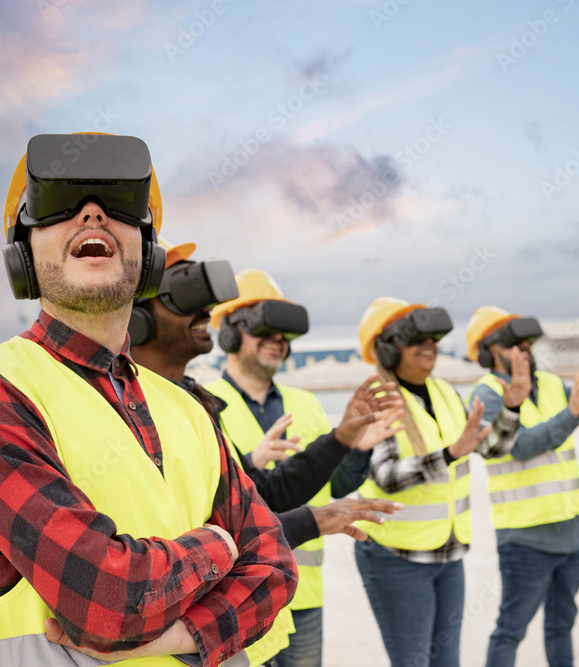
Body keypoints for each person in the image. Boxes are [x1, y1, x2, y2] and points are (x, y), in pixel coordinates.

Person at [0, 133, 297, 667]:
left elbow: (276, 570)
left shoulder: (189, 408)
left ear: (149, 252)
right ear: (22, 251)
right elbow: (107, 599)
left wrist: (178, 636)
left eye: (120, 205)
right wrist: (218, 547)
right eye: (58, 205)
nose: (92, 215)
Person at [128, 240, 405, 664]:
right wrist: (305, 515)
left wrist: (346, 443)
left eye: (284, 335)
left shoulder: (199, 404)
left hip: (273, 598)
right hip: (194, 629)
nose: (277, 341)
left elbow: (262, 497)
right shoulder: (157, 406)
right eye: (186, 298)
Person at [203, 269, 378, 667]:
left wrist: (359, 450)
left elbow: (337, 488)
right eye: (264, 331)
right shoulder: (204, 405)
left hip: (305, 592)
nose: (277, 343)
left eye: (283, 337)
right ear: (229, 332)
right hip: (239, 595)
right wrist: (250, 465)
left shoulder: (307, 403)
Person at [353, 297, 528, 667]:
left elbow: (491, 448)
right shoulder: (377, 400)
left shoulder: (446, 392)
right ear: (386, 348)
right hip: (396, 556)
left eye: (433, 337)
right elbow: (385, 476)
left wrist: (511, 408)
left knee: (447, 660)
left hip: (448, 552)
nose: (429, 345)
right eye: (416, 338)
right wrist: (448, 455)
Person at [465, 306, 579, 667]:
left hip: (571, 532)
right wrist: (570, 415)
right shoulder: (486, 396)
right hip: (525, 536)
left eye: (527, 341)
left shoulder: (547, 385)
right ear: (488, 350)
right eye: (514, 342)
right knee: (511, 630)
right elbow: (521, 447)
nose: (525, 348)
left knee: (561, 626)